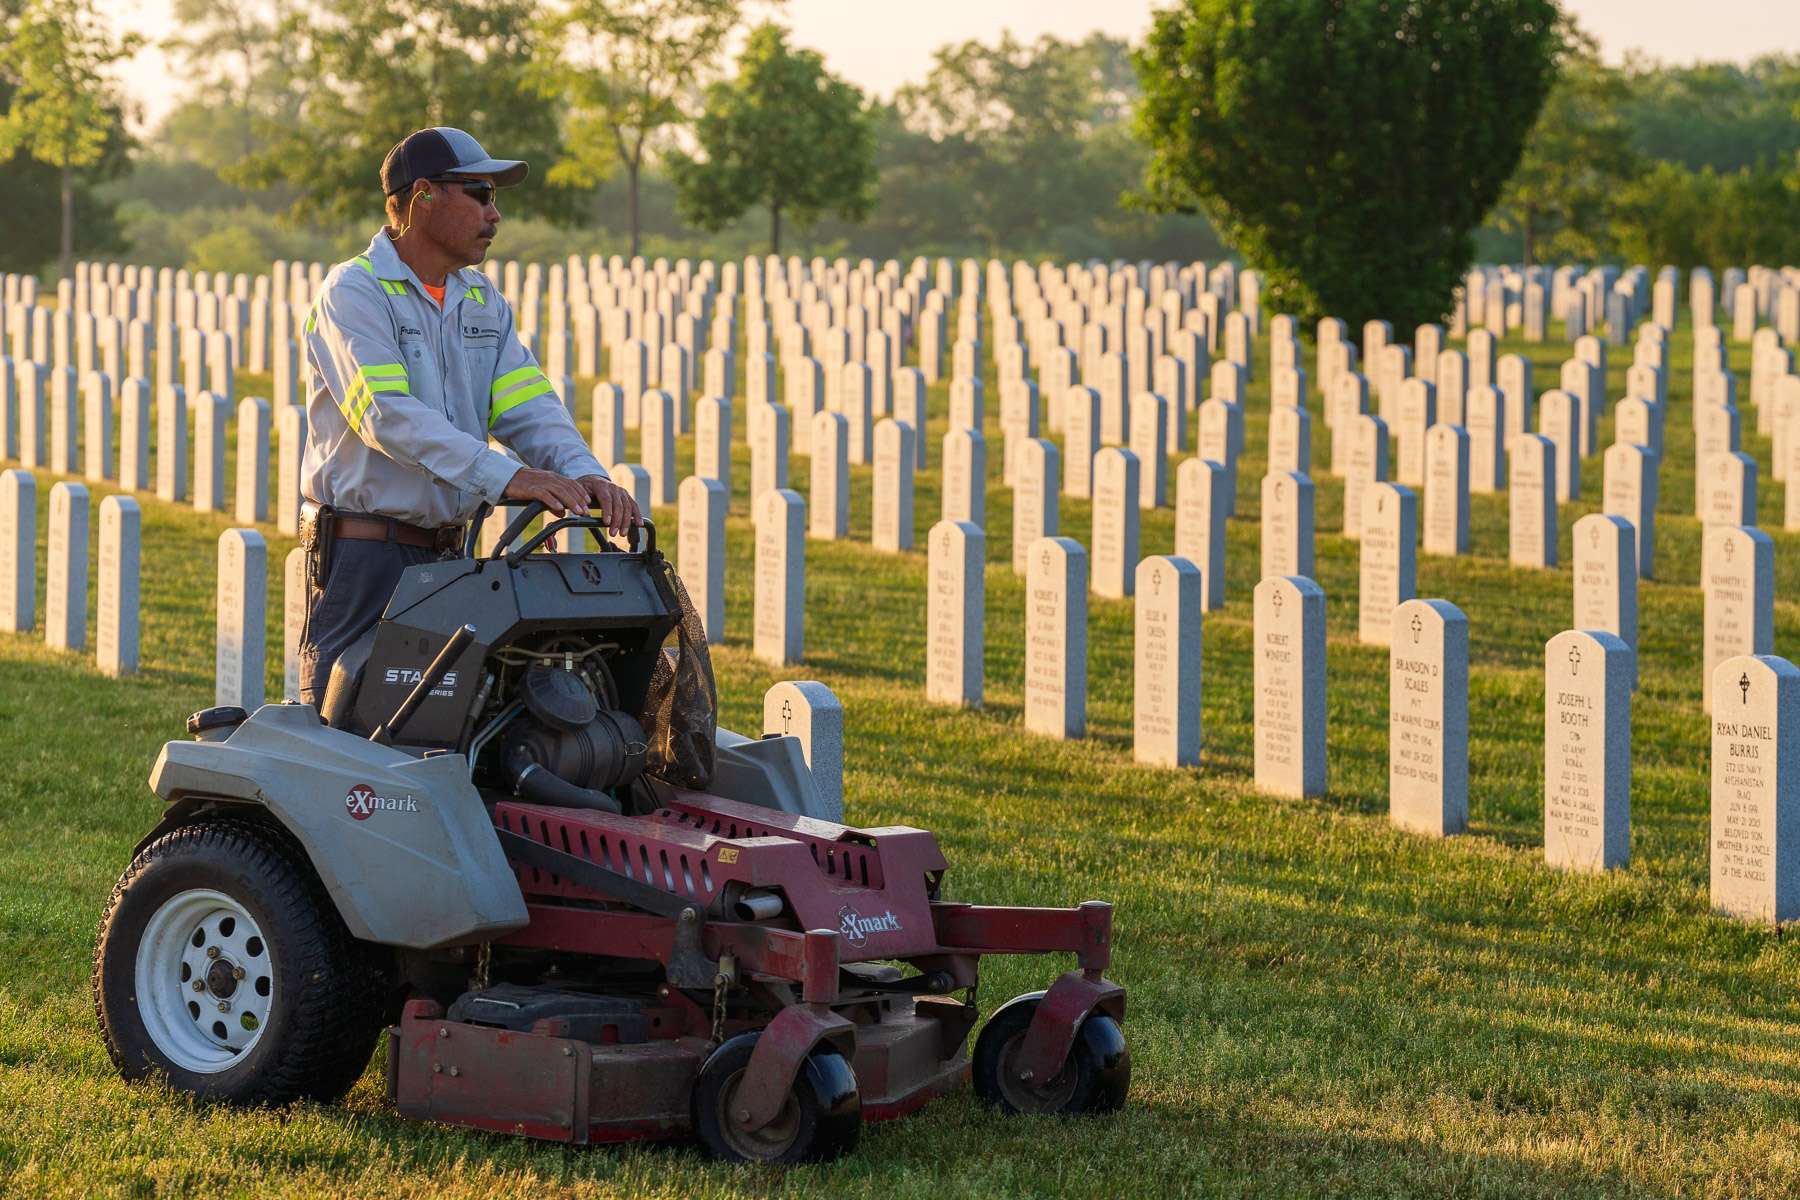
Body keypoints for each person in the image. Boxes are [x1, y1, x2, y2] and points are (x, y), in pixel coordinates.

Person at [297, 126, 639, 707]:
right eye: (480, 194)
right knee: (348, 731)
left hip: (451, 556)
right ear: (423, 196)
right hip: (367, 556)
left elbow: (530, 408)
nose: (495, 214)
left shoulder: (481, 300)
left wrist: (585, 476)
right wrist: (507, 477)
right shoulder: (354, 292)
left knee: (445, 724)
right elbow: (386, 415)